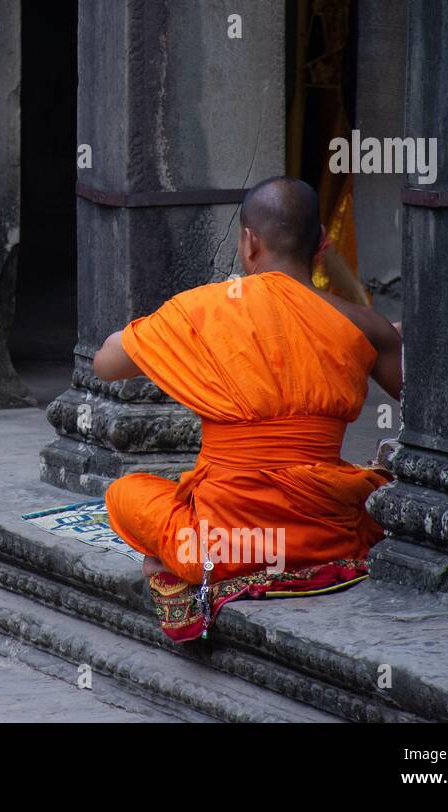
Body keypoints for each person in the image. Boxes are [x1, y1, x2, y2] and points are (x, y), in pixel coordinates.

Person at [93, 176, 403, 583]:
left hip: (219, 547)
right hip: (326, 536)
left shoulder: (204, 310)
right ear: (323, 242)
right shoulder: (365, 325)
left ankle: (175, 559)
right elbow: (424, 400)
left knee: (125, 494)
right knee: (375, 490)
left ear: (250, 242)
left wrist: (173, 329)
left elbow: (105, 364)